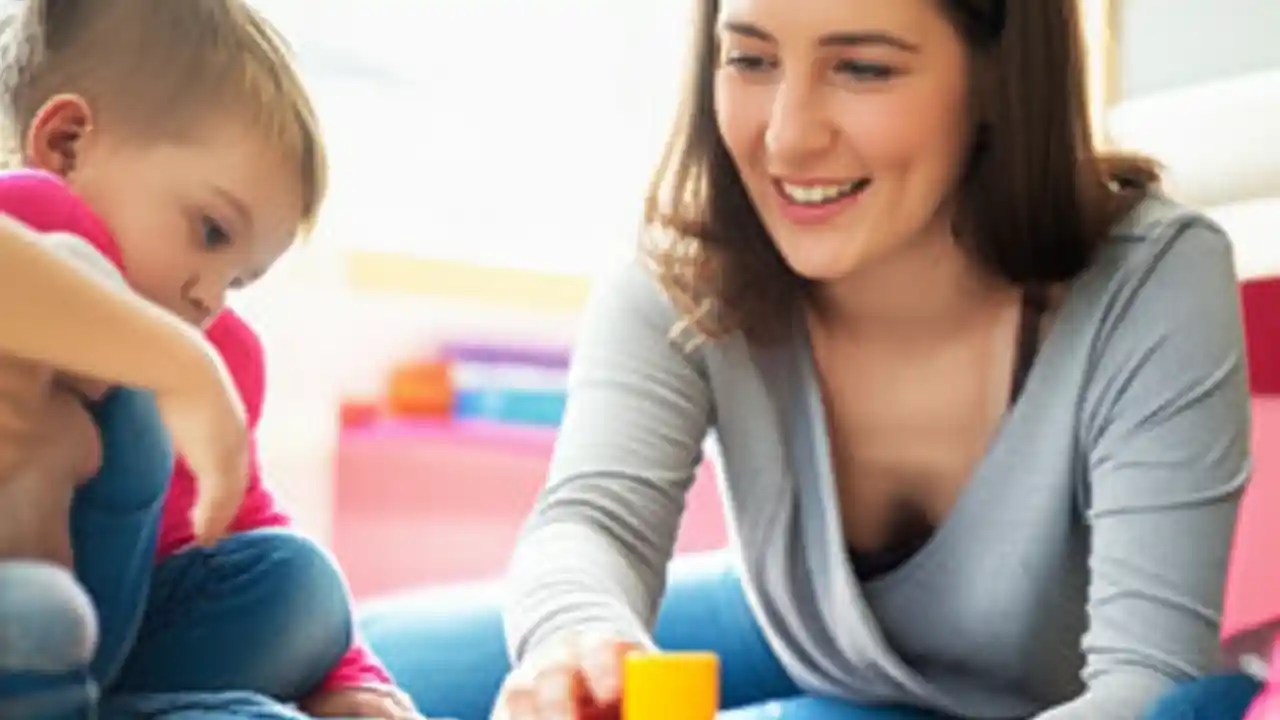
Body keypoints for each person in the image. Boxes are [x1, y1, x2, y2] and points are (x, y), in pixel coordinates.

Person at [369, 0, 1258, 718]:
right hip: (790, 629)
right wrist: (580, 640)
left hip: (1015, 702)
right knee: (338, 660)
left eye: (862, 67)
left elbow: (1149, 686)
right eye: (751, 58)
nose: (787, 138)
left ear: (995, 76)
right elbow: (590, 523)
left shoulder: (1154, 280)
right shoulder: (687, 274)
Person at [0, 1, 421, 717]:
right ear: (66, 145)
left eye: (240, 278)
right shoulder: (32, 219)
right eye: (209, 230)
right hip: (25, 617)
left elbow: (240, 516)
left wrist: (353, 677)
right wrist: (171, 364)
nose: (211, 296)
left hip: (107, 642)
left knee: (300, 586)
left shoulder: (214, 349)